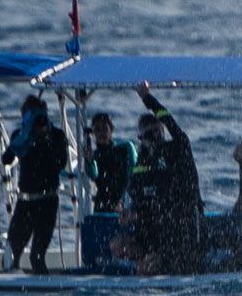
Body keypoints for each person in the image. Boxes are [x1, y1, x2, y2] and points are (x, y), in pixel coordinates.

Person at [111, 81, 205, 275]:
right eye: (148, 135)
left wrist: (147, 98)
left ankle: (156, 264)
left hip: (179, 231)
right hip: (152, 233)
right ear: (141, 137)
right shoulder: (143, 161)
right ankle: (151, 259)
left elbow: (168, 119)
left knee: (146, 268)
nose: (154, 138)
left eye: (157, 132)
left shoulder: (179, 148)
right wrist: (126, 211)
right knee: (117, 245)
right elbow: (134, 192)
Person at [2, 95, 70, 274]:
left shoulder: (56, 136)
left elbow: (60, 165)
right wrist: (24, 138)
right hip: (25, 202)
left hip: (48, 201)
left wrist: (45, 140)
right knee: (11, 252)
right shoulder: (21, 136)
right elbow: (6, 159)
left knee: (37, 256)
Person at [86, 112, 137, 214]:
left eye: (105, 129)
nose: (101, 133)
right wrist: (89, 160)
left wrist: (123, 202)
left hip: (123, 202)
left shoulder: (125, 149)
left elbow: (134, 174)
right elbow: (93, 174)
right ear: (93, 134)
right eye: (97, 130)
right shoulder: (94, 156)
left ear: (111, 130)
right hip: (102, 203)